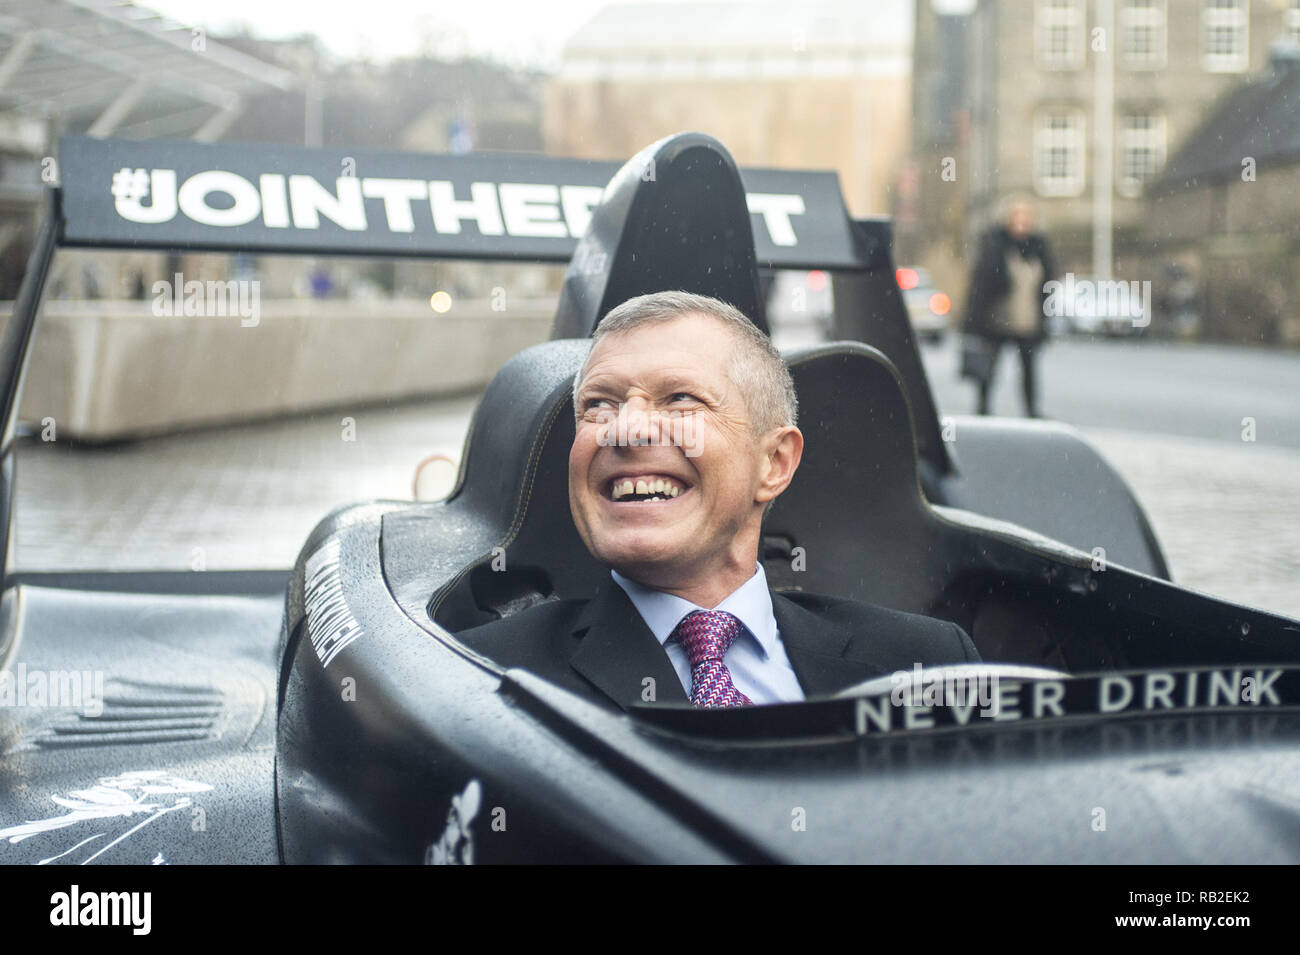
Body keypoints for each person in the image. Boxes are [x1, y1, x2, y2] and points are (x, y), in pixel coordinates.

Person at [457, 291, 980, 711]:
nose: (626, 429)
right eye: (599, 404)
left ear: (773, 464)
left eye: (680, 399)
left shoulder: (925, 664)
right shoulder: (485, 680)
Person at [961, 197, 1057, 417]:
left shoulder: (1039, 248)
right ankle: (983, 408)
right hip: (998, 320)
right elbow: (981, 284)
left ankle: (1032, 410)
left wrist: (1046, 317)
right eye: (1018, 217)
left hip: (1028, 321)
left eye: (1026, 217)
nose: (1022, 222)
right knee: (989, 369)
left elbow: (1047, 286)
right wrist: (973, 320)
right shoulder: (995, 245)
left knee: (1029, 370)